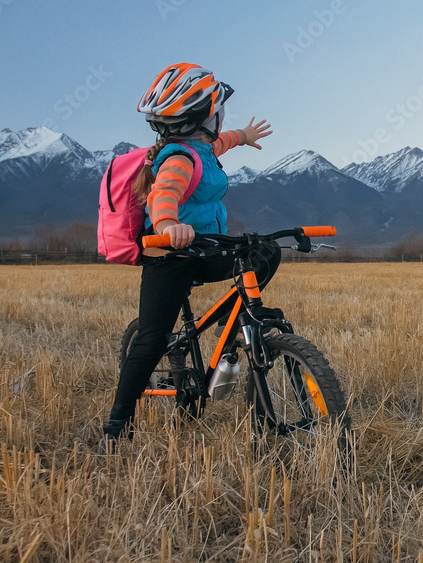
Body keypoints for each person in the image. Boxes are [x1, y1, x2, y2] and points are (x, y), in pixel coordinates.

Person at [100, 63, 272, 452]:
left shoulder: (204, 148)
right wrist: (168, 223)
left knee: (264, 251)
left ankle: (237, 317)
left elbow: (219, 144)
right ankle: (116, 428)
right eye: (218, 112)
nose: (221, 118)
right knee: (152, 337)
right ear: (204, 117)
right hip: (170, 254)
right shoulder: (178, 159)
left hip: (205, 247)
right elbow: (163, 194)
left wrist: (243, 136)